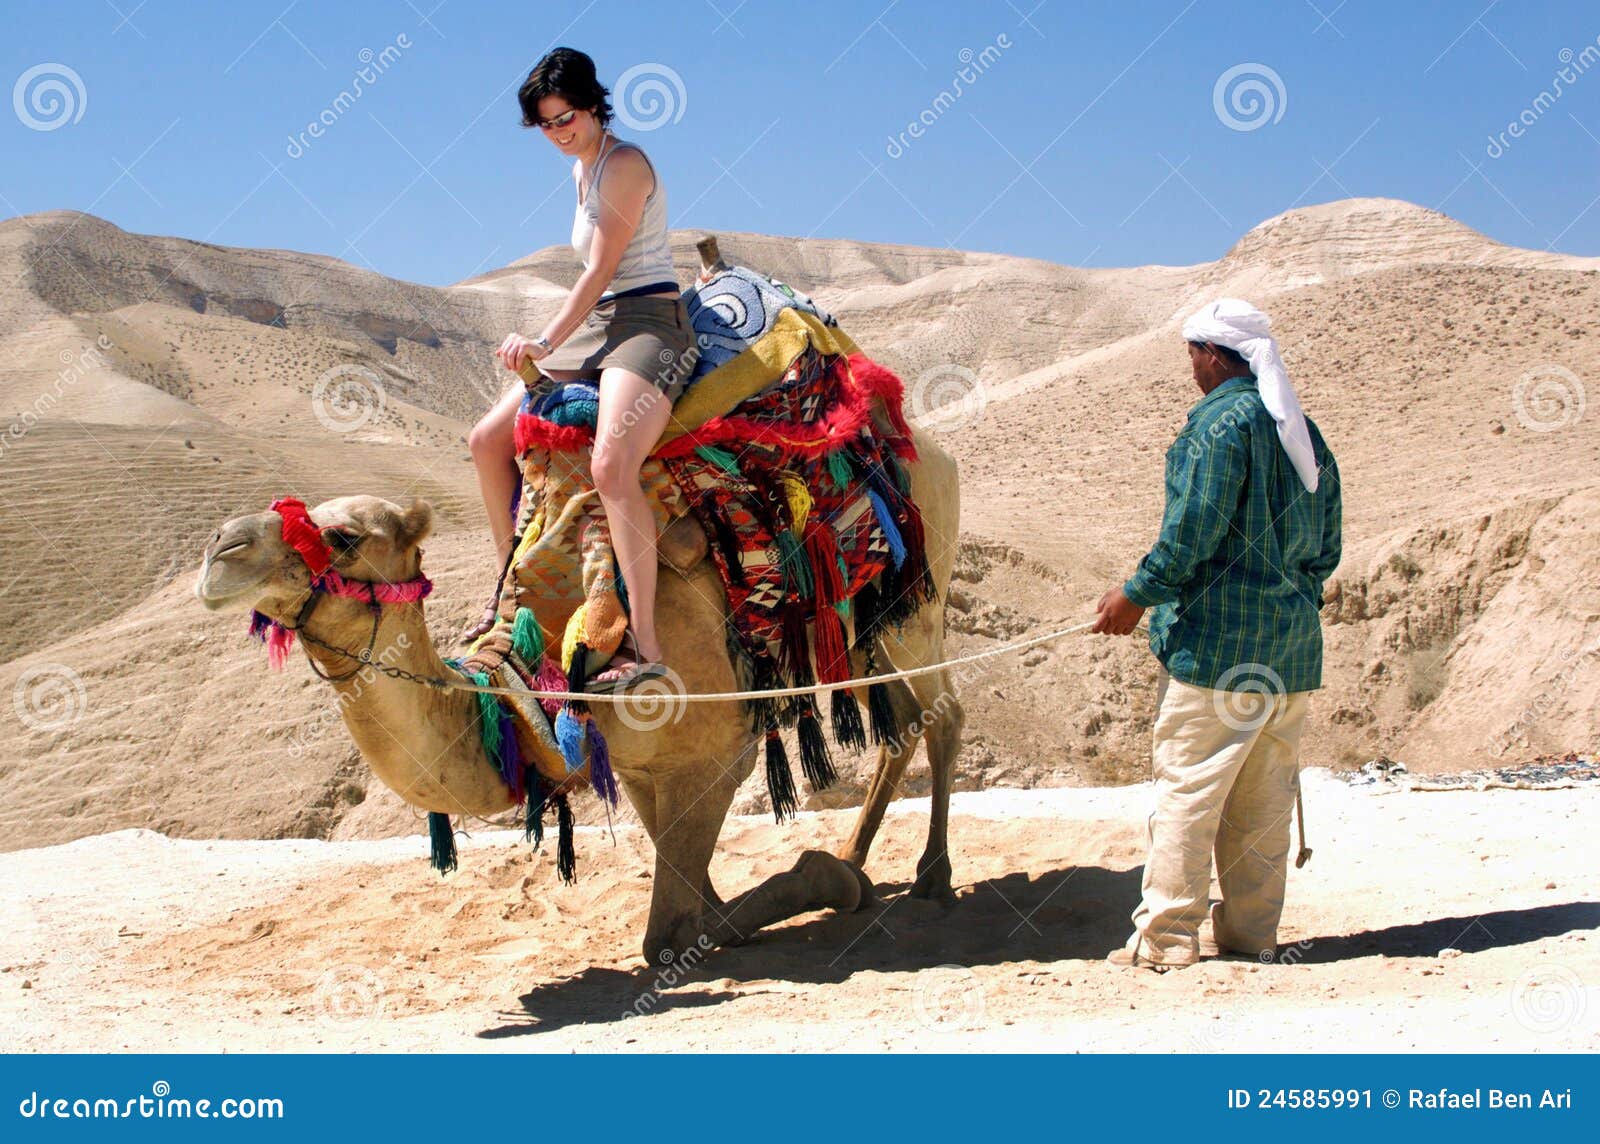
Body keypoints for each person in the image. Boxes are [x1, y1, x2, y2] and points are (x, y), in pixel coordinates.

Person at [1092, 298, 1342, 971]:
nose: (1192, 370)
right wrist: (1282, 602)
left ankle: (1167, 941)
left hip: (1216, 655)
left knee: (1190, 795)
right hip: (1289, 657)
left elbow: (1191, 533)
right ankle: (1251, 937)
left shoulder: (1218, 427)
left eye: (1192, 356)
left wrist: (1135, 595)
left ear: (1212, 354)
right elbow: (1326, 550)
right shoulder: (1303, 433)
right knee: (1262, 809)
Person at [463, 47, 694, 692]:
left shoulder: (623, 165)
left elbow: (599, 270)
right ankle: (510, 590)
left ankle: (646, 643)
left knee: (610, 466)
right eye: (545, 124)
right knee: (486, 441)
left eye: (566, 117)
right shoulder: (580, 170)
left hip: (648, 321)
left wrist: (541, 339)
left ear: (594, 105)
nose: (558, 132)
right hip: (600, 324)